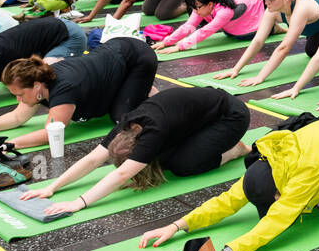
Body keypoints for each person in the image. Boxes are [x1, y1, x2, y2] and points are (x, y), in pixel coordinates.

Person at [138, 113, 319, 251]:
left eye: (272, 202)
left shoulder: (304, 172)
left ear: (279, 192)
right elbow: (226, 201)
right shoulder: (266, 164)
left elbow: (276, 222)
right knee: (317, 197)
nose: (273, 206)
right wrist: (176, 225)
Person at [18, 87, 250, 217]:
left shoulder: (153, 133)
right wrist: (52, 187)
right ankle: (205, 141)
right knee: (166, 160)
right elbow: (92, 159)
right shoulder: (126, 124)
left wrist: (78, 203)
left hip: (231, 116)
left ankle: (233, 151)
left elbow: (121, 175)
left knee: (183, 166)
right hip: (199, 116)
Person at [0, 38, 159, 149]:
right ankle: (132, 88)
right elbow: (17, 117)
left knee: (121, 118)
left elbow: (50, 134)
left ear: (37, 85)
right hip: (113, 54)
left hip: (137, 57)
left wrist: (6, 145)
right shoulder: (37, 81)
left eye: (21, 95)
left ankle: (147, 91)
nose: (18, 100)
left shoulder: (64, 90)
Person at [215, 0, 319, 86]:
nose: (266, 1)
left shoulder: (301, 9)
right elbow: (258, 41)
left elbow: (284, 48)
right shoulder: (272, 10)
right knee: (311, 51)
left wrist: (260, 77)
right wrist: (236, 69)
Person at [151, 0, 265, 54]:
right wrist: (167, 42)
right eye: (193, 7)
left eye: (197, 8)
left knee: (243, 35)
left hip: (260, 2)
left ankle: (274, 28)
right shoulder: (202, 5)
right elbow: (188, 26)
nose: (195, 11)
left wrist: (180, 47)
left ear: (210, 4)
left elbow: (204, 31)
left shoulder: (224, 12)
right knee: (229, 32)